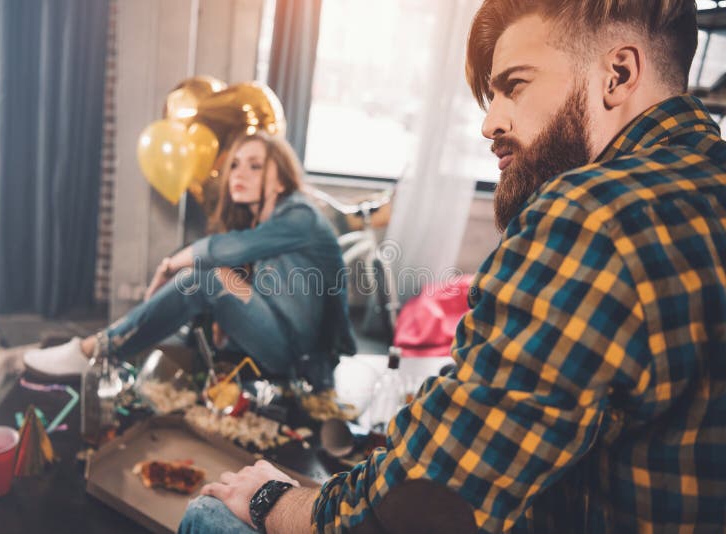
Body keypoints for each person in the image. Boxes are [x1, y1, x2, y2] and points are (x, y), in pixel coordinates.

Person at [178, 0, 726, 532]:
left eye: (515, 85)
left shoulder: (591, 214)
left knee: (212, 512)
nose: (489, 124)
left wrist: (273, 498)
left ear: (619, 73)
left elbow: (413, 510)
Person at [24, 131, 356, 390]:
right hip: (282, 340)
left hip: (302, 360)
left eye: (255, 165)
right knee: (200, 294)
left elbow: (221, 250)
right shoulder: (268, 222)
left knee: (207, 277)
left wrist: (170, 265)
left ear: (281, 179)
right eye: (236, 164)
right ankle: (110, 360)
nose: (239, 173)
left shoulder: (300, 216)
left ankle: (93, 352)